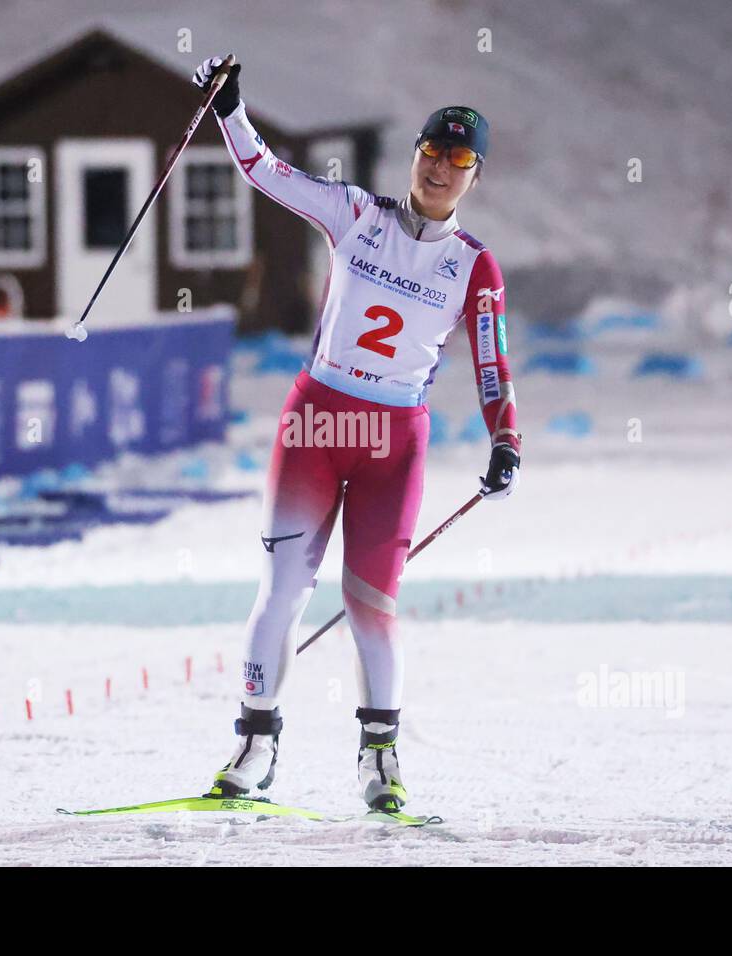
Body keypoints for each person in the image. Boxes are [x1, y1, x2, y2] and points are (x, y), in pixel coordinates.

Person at [193, 56, 520, 811]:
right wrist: (230, 107)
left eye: (459, 160)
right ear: (414, 154)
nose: (441, 168)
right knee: (282, 590)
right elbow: (264, 170)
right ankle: (255, 745)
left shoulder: (475, 267)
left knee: (371, 602)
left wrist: (506, 438)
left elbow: (494, 363)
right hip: (316, 421)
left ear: (476, 177)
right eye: (432, 152)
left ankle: (380, 759)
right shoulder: (356, 213)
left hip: (392, 442)